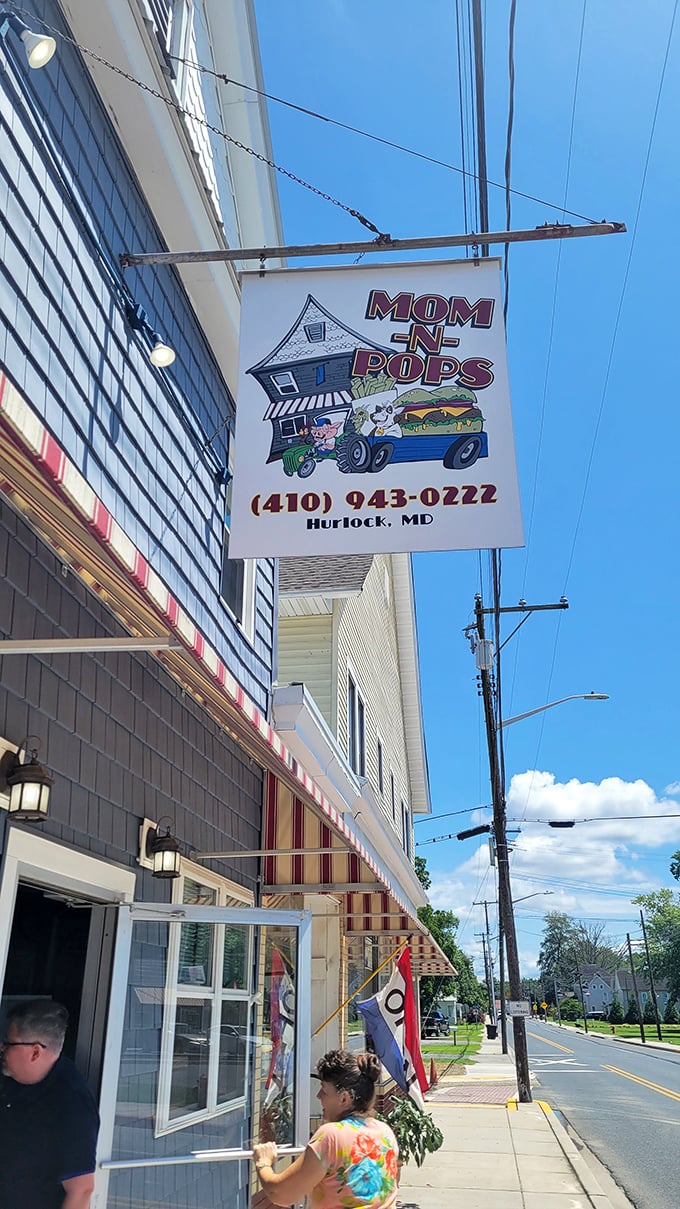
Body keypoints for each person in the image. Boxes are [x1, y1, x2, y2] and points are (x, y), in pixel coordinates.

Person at [253, 1049, 399, 1208]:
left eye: (324, 1089)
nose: (319, 1095)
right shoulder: (385, 1132)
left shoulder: (331, 1136)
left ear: (344, 1098)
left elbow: (280, 1194)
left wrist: (263, 1162)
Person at [0, 999, 100, 1209]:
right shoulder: (13, 1077)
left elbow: (81, 1190)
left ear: (35, 1052)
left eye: (8, 1043)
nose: (2, 1048)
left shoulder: (72, 1105)